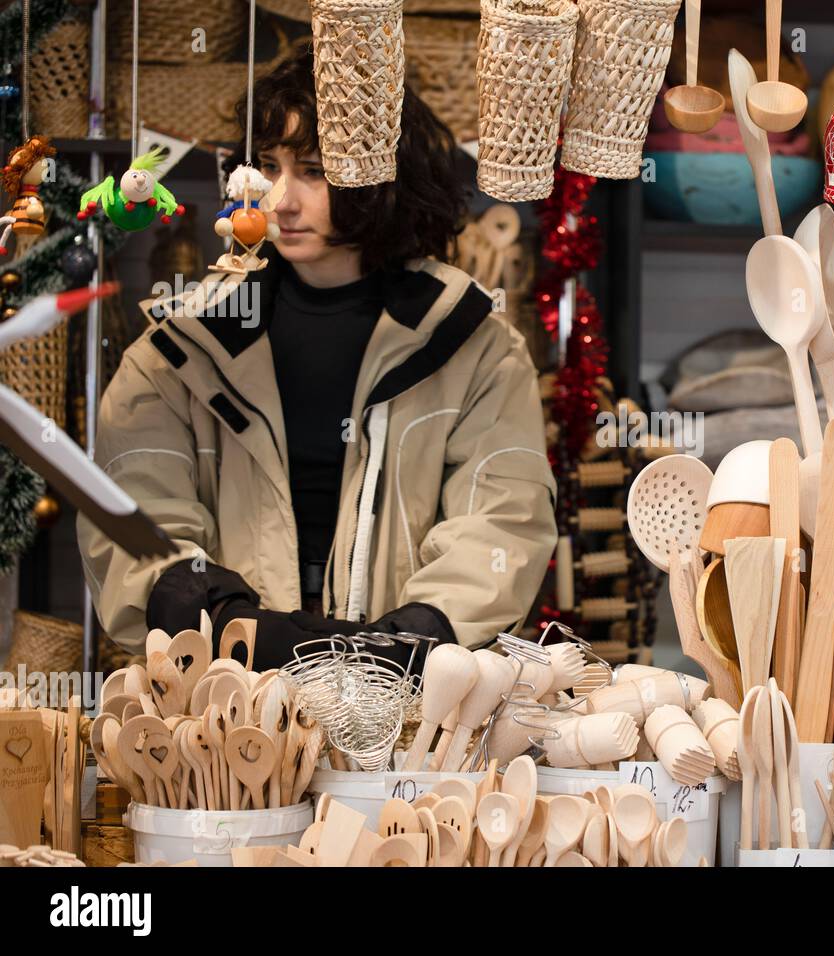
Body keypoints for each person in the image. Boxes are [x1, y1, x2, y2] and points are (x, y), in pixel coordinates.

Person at [77, 42, 558, 668]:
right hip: (227, 718)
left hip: (407, 717)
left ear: (382, 172)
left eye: (312, 170)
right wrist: (216, 615)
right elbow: (134, 511)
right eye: (268, 167)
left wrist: (407, 643)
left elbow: (504, 522)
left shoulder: (473, 344)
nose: (279, 200)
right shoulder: (178, 348)